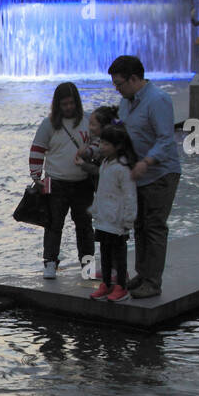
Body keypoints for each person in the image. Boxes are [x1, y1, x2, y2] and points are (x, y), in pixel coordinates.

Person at [108, 55, 179, 298]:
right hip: (137, 173)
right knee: (139, 225)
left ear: (135, 78)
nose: (117, 88)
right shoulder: (126, 102)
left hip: (161, 173)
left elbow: (166, 140)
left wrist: (147, 161)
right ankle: (142, 273)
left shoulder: (158, 100)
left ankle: (153, 281)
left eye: (119, 83)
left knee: (155, 227)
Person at [28, 82, 94, 280]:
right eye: (64, 104)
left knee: (84, 226)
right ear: (57, 105)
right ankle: (50, 263)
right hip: (54, 181)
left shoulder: (88, 121)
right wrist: (36, 177)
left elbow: (98, 143)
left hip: (83, 181)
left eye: (71, 103)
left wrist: (89, 151)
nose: (68, 108)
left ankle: (88, 265)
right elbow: (37, 150)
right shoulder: (48, 124)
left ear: (77, 103)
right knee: (53, 224)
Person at [88, 125, 139, 302]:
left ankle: (121, 287)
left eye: (106, 144)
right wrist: (96, 209)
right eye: (101, 142)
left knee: (119, 253)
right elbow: (102, 190)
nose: (102, 146)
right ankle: (107, 283)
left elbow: (129, 195)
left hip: (117, 220)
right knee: (104, 252)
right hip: (104, 219)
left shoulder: (123, 168)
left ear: (117, 146)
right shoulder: (105, 163)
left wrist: (128, 219)